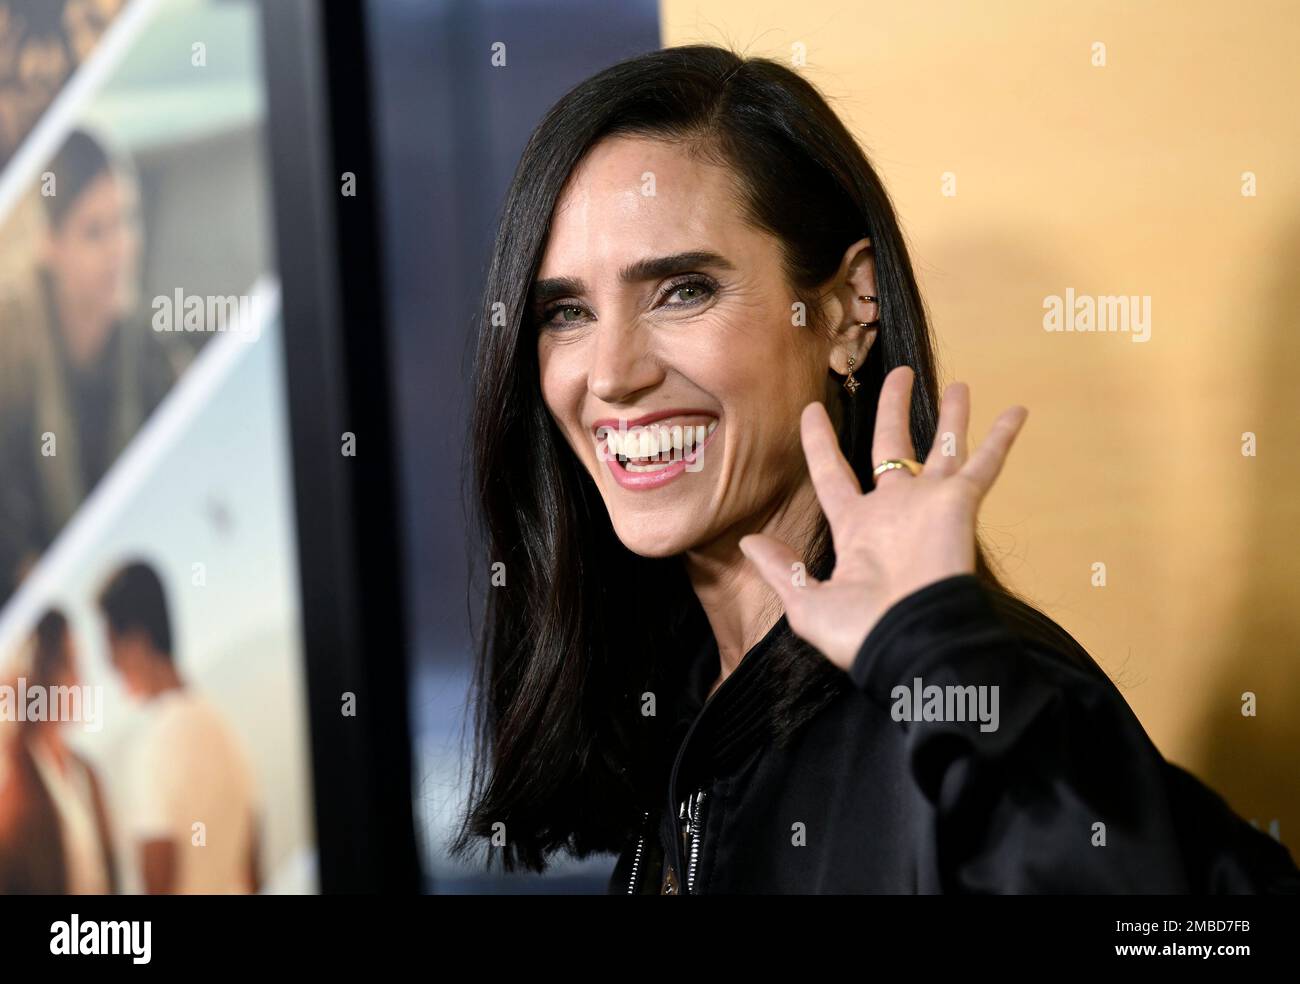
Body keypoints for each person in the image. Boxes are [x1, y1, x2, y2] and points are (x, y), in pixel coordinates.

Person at [450, 44, 1300, 893]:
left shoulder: (967, 695)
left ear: (851, 308)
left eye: (683, 290)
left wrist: (941, 660)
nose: (608, 374)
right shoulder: (680, 700)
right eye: (566, 311)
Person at [0, 128, 181, 602]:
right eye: (95, 231)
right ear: (50, 245)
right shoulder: (10, 362)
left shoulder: (155, 360)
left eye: (127, 220)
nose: (121, 248)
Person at [96, 560, 261, 894]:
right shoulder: (221, 726)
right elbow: (254, 864)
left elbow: (158, 880)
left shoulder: (154, 747)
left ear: (137, 641)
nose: (110, 664)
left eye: (111, 645)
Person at [0, 609, 117, 894]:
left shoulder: (85, 772)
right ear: (45, 674)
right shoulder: (14, 780)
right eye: (70, 665)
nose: (80, 680)